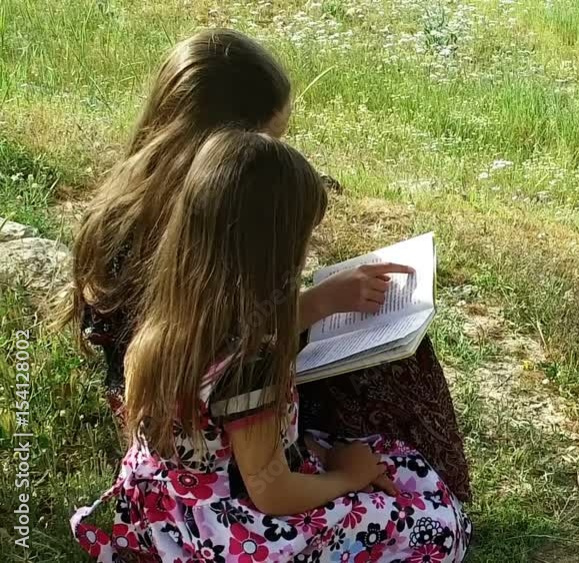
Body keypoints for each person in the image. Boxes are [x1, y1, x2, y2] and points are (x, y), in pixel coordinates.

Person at [63, 28, 470, 501]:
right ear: (218, 142)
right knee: (390, 377)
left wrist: (319, 303)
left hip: (189, 449)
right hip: (222, 448)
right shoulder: (146, 241)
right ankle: (415, 492)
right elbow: (223, 360)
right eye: (265, 140)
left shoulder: (201, 225)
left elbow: (210, 339)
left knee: (389, 343)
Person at [71, 129, 470, 562]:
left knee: (390, 466)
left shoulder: (167, 318)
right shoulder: (249, 366)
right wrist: (345, 479)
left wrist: (321, 303)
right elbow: (272, 492)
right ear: (272, 255)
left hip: (169, 510)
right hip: (235, 532)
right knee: (434, 523)